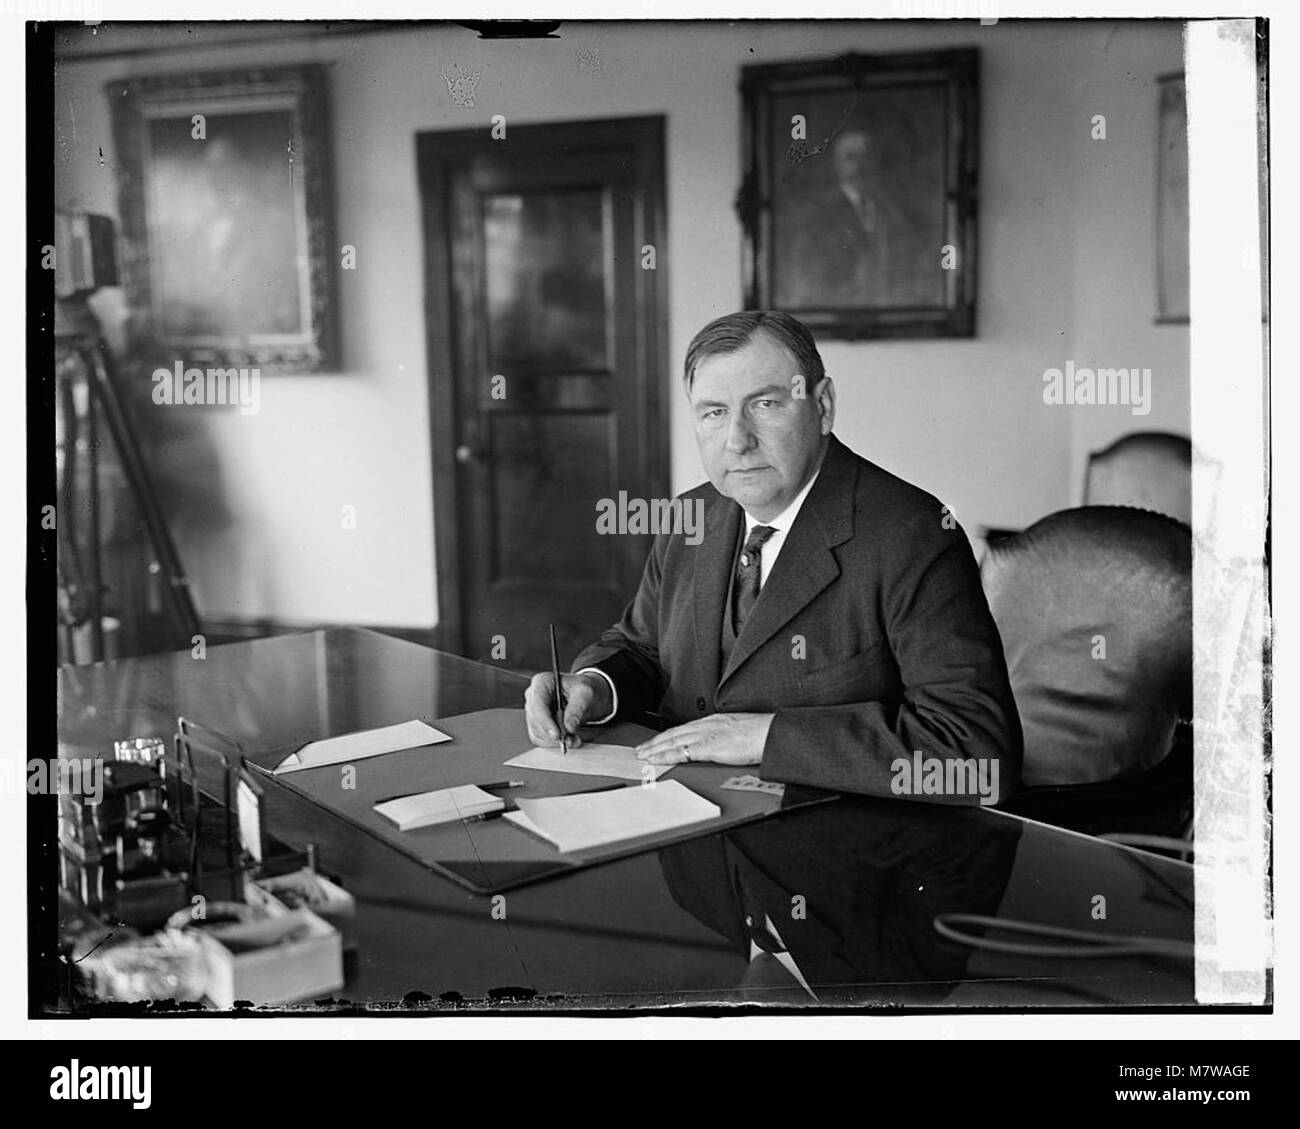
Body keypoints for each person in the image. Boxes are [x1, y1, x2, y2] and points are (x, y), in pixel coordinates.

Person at [523, 310, 1022, 802]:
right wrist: (593, 687)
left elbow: (976, 759)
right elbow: (642, 649)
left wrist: (763, 736)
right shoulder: (689, 516)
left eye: (764, 404)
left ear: (823, 406)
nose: (737, 441)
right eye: (714, 412)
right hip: (684, 826)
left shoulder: (912, 535)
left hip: (838, 848)